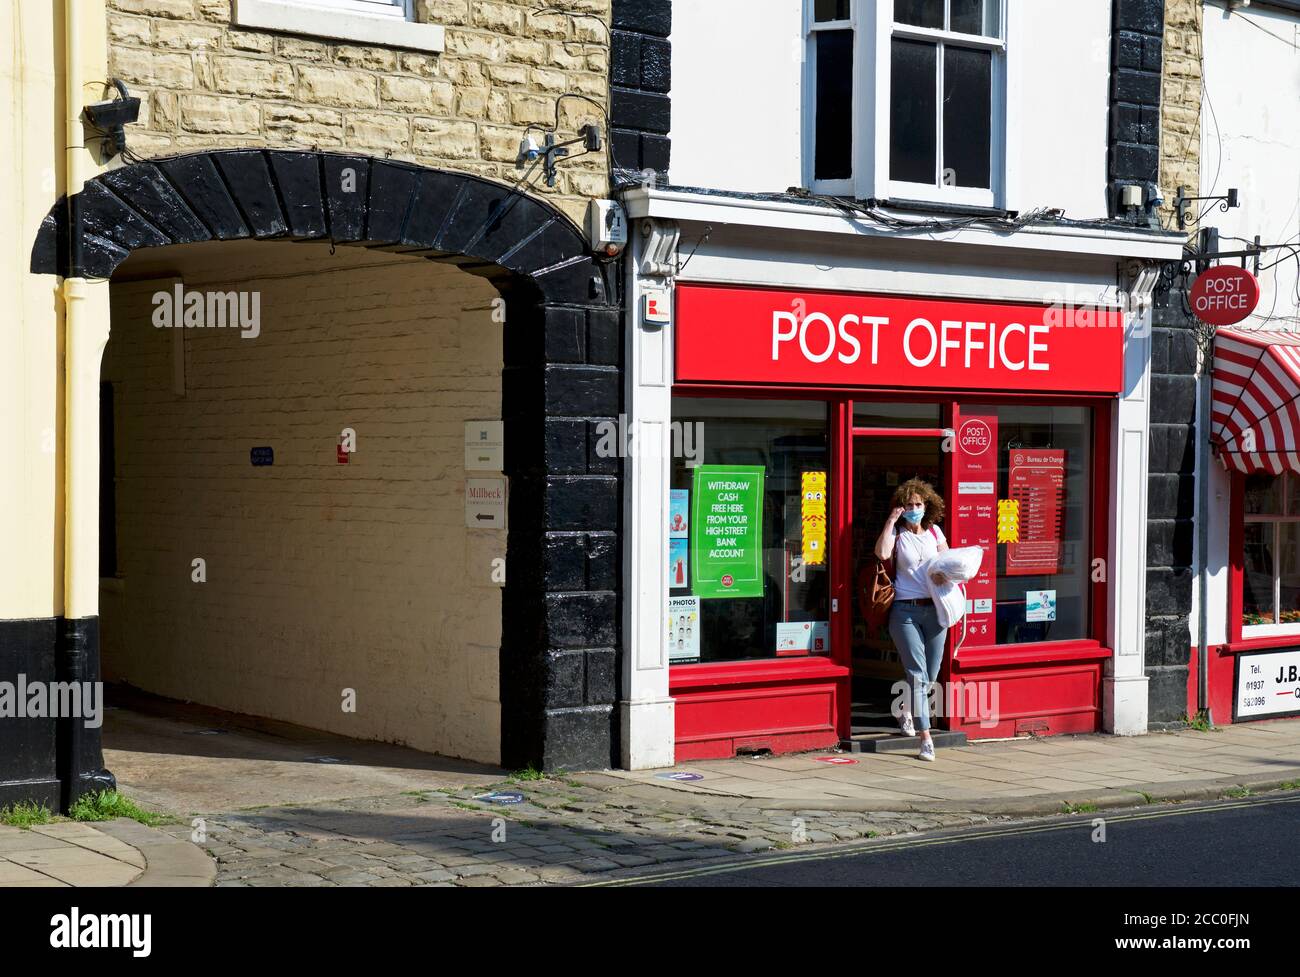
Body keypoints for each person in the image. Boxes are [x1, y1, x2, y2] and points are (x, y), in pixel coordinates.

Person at [874, 478, 950, 761]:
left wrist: (946, 574)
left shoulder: (935, 533)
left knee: (930, 674)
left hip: (935, 609)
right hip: (904, 611)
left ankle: (905, 709)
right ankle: (926, 738)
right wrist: (891, 522)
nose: (914, 509)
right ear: (902, 507)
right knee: (917, 675)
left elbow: (949, 563)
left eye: (918, 504)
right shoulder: (898, 534)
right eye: (909, 505)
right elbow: (881, 554)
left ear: (926, 505)